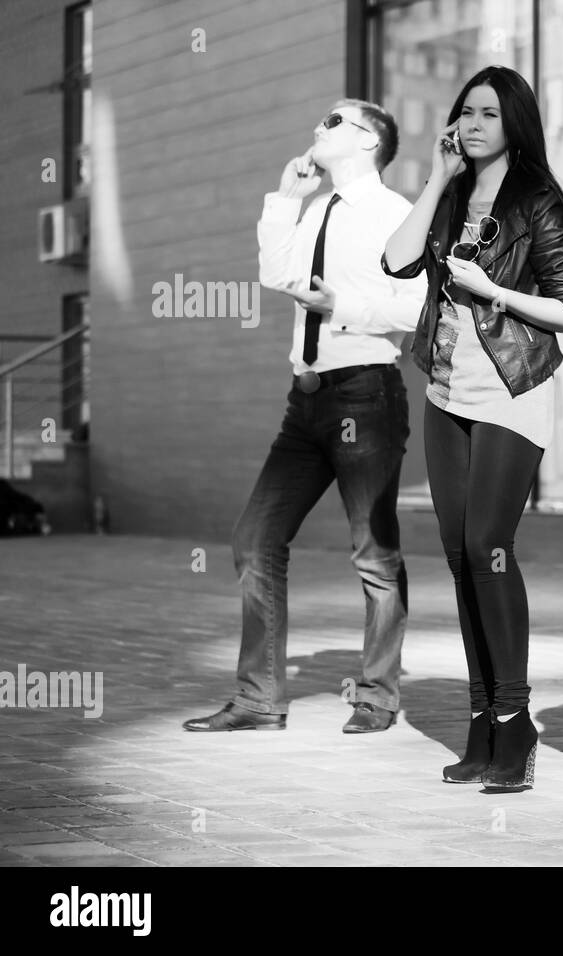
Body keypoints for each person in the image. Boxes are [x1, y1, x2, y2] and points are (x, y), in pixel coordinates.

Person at [185, 99, 423, 735]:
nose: (320, 126)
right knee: (255, 538)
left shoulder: (396, 214)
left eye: (336, 121)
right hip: (306, 401)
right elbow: (277, 273)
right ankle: (259, 699)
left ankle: (377, 696)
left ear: (370, 140)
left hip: (366, 395)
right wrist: (285, 199)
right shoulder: (316, 208)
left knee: (374, 554)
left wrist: (339, 302)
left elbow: (416, 308)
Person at [383, 66, 563, 793]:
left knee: (488, 546)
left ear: (515, 126)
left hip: (509, 392)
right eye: (465, 112)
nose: (472, 125)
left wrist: (494, 290)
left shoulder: (539, 202)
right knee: (460, 557)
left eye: (488, 115)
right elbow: (397, 260)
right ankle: (482, 724)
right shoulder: (452, 198)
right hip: (446, 395)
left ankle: (515, 720)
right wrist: (436, 179)